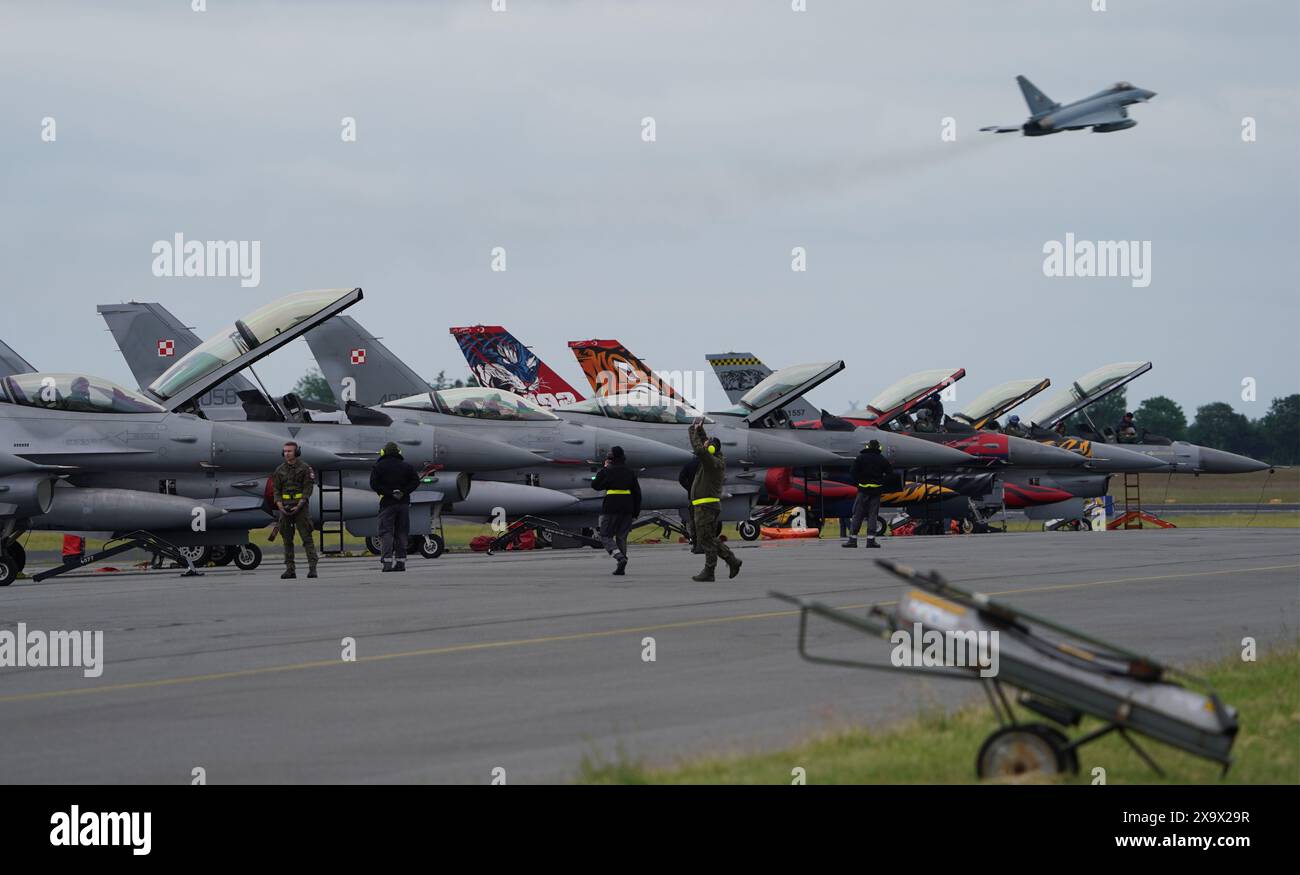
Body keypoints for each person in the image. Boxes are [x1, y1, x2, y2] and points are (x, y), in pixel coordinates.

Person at [688, 418, 741, 582]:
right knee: (708, 538)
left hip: (706, 506)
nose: (705, 445)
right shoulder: (716, 459)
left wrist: (692, 430)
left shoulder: (712, 463)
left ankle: (712, 570)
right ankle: (731, 561)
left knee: (706, 539)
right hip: (706, 505)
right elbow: (705, 446)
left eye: (707, 445)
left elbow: (699, 450)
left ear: (711, 449)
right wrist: (701, 431)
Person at [370, 441, 420, 572]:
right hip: (403, 504)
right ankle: (401, 562)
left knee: (386, 533)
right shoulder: (406, 466)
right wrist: (403, 492)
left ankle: (387, 563)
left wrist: (389, 493)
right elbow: (416, 481)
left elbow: (374, 484)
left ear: (384, 452)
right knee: (402, 533)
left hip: (387, 504)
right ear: (398, 452)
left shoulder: (378, 467)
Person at [592, 445, 641, 575]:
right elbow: (637, 493)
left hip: (611, 507)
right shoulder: (630, 472)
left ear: (611, 457)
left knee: (605, 535)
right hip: (627, 508)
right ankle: (621, 566)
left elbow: (595, 485)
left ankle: (619, 557)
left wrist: (604, 468)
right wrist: (635, 512)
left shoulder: (608, 470)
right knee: (621, 537)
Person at [272, 441, 318, 579]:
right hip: (284, 508)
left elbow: (308, 489)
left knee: (306, 538)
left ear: (296, 452)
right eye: (285, 451)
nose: (287, 453)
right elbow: (276, 490)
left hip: (301, 508)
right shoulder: (279, 470)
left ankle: (312, 568)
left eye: (289, 451)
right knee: (287, 539)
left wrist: (299, 505)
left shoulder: (305, 469)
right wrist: (280, 505)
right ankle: (290, 569)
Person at [843, 439, 895, 549]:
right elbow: (891, 474)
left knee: (857, 514)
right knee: (873, 516)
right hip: (876, 492)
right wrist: (881, 481)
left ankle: (852, 540)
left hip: (863, 491)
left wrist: (859, 481)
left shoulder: (860, 458)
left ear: (868, 446)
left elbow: (852, 472)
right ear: (878, 448)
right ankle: (870, 541)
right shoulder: (882, 459)